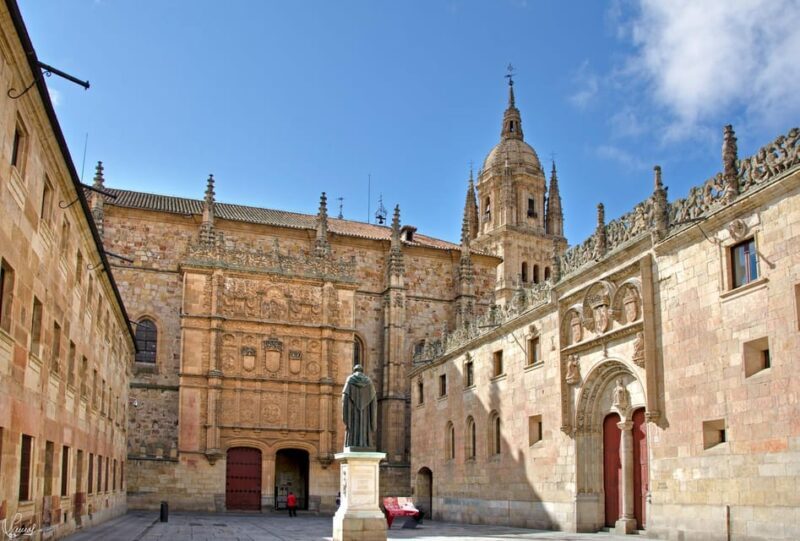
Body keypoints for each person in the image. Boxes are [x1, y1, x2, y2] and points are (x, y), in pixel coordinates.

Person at [342, 364, 377, 449]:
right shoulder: (369, 381)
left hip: (352, 411)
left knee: (353, 425)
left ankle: (352, 443)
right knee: (365, 425)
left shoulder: (350, 379)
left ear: (354, 370)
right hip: (366, 413)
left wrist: (345, 415)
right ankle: (365, 443)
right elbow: (374, 400)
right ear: (362, 371)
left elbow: (345, 397)